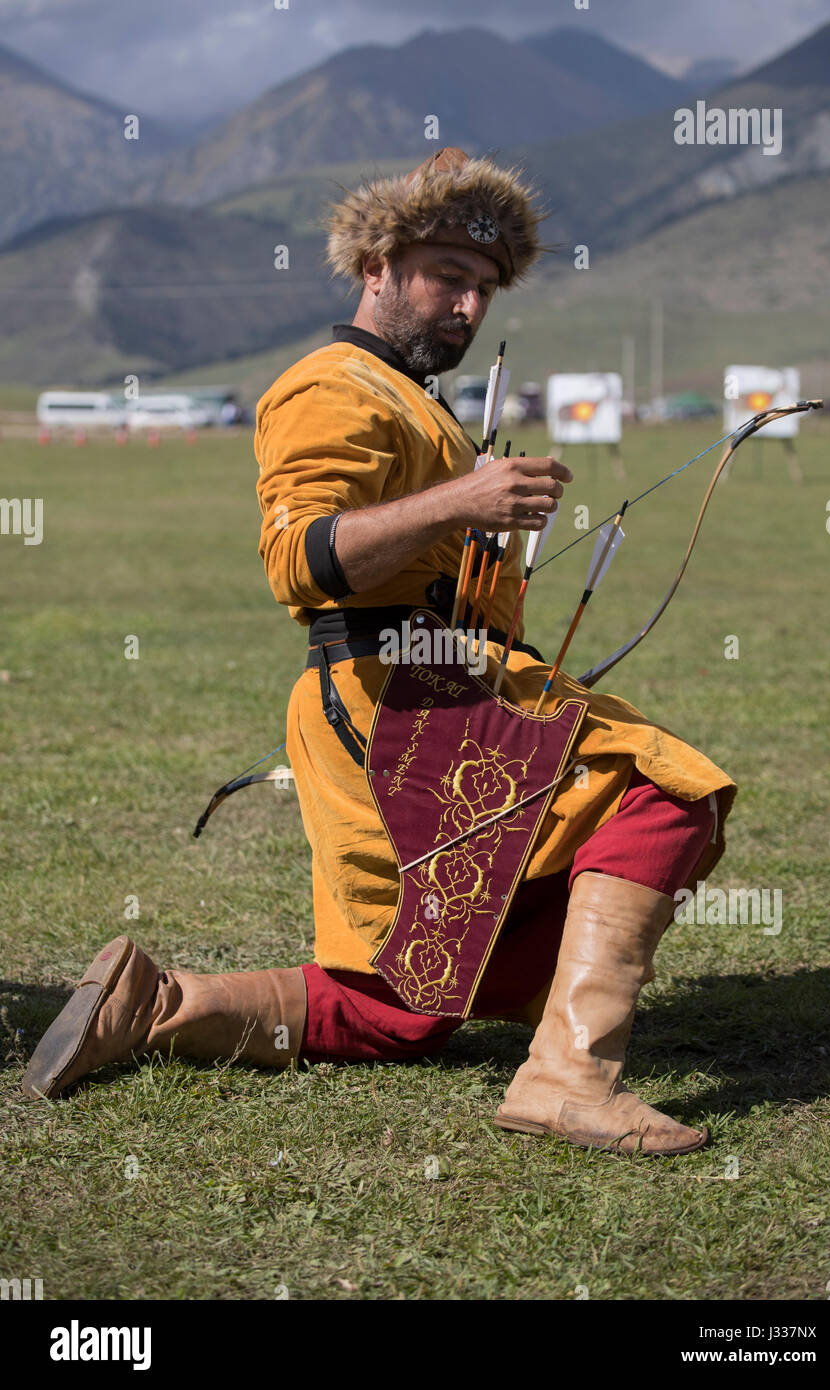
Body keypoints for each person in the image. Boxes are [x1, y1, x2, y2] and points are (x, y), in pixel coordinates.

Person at [24, 149, 735, 1156]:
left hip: (429, 690)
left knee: (405, 1009)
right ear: (377, 266)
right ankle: (568, 1077)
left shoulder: (410, 398)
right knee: (666, 791)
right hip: (395, 700)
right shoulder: (329, 384)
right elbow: (300, 559)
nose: (466, 306)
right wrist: (467, 498)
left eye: (482, 289)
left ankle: (157, 1003)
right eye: (446, 277)